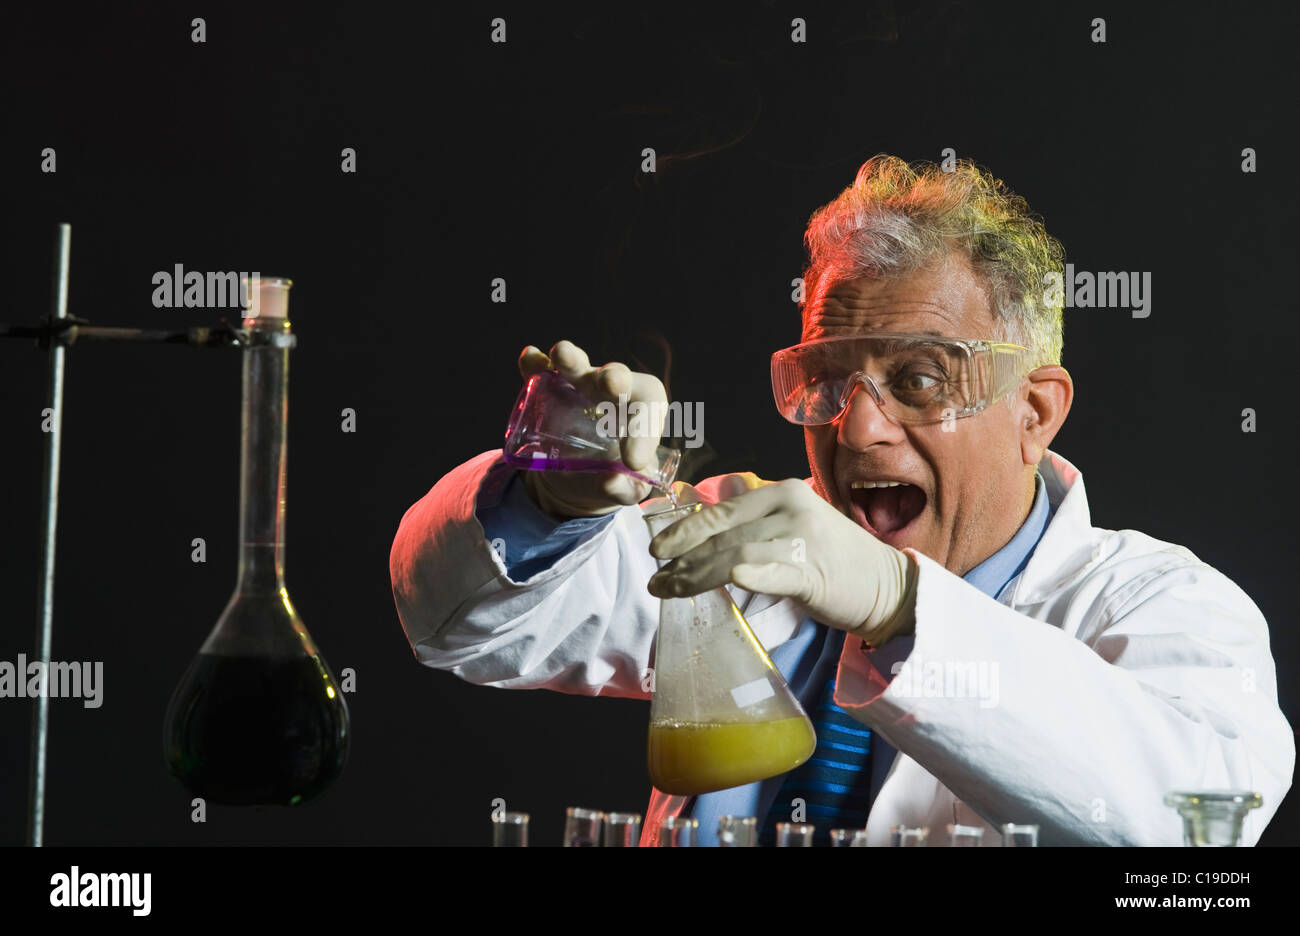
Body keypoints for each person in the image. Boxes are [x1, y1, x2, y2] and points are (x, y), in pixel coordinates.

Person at [389, 155, 1294, 846]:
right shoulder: (734, 541)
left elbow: (1195, 828)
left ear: (1036, 412)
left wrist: (898, 604)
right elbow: (459, 625)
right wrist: (554, 494)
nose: (855, 431)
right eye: (826, 377)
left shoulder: (1162, 604)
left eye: (919, 379)